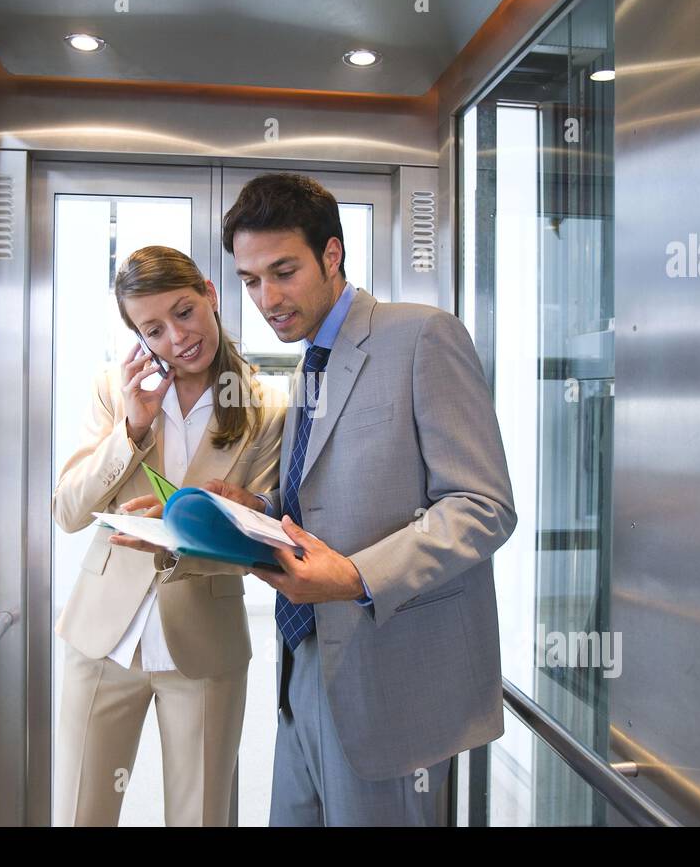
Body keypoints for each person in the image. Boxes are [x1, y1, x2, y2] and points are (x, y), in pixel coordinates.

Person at [163, 172, 517, 825]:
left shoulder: (423, 337)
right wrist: (254, 508)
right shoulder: (309, 363)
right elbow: (321, 495)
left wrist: (357, 577)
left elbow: (482, 505)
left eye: (283, 271)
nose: (267, 298)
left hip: (390, 681)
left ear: (332, 254)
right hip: (303, 667)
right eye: (249, 280)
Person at [50, 244, 285, 826]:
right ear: (137, 336)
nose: (178, 337)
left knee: (201, 815)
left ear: (209, 291)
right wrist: (131, 426)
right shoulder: (115, 389)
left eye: (184, 311)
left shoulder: (266, 406)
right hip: (104, 639)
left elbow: (267, 535)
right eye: (153, 329)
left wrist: (192, 525)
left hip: (204, 645)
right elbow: (68, 511)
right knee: (83, 812)